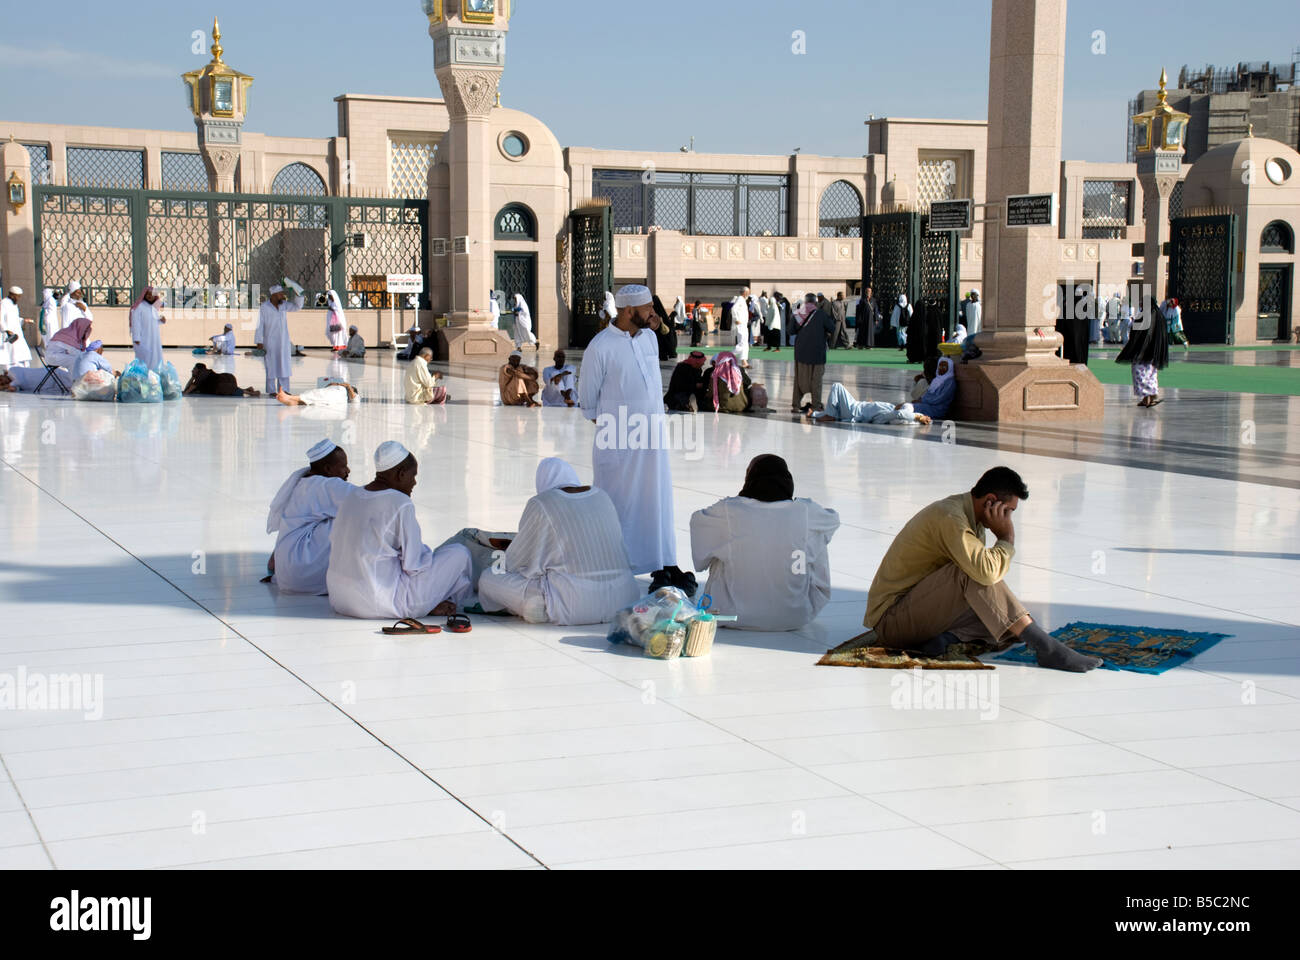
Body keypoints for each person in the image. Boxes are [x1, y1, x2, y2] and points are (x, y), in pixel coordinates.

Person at [864, 467, 1103, 672]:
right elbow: (985, 573)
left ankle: (944, 640)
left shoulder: (970, 516)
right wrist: (1006, 538)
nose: (1009, 518)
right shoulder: (951, 518)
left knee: (1007, 621)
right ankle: (1046, 648)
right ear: (990, 501)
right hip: (892, 621)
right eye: (1008, 511)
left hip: (920, 610)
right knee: (973, 576)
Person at [579, 284, 692, 595]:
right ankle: (618, 563)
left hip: (652, 439)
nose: (652, 313)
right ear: (628, 312)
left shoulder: (650, 338)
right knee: (621, 504)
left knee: (655, 501)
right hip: (619, 445)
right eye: (647, 309)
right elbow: (588, 404)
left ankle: (662, 561)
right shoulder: (600, 347)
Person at [477, 458, 641, 625]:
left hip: (575, 605)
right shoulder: (601, 495)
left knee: (488, 578)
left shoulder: (541, 503)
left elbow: (516, 564)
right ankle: (535, 604)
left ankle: (537, 605)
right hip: (625, 599)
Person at [326, 441, 475, 620]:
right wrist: (426, 553)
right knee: (459, 553)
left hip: (340, 599)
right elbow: (414, 565)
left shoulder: (352, 495)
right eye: (413, 476)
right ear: (400, 474)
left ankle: (437, 602)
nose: (414, 482)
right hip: (378, 603)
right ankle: (460, 604)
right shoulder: (399, 502)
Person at [690, 455, 840, 631]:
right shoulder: (806, 510)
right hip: (795, 616)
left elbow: (698, 525)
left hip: (731, 615)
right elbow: (833, 520)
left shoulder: (729, 509)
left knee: (721, 541)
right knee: (815, 535)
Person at [266, 440, 354, 595]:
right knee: (352, 518)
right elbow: (366, 500)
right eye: (343, 466)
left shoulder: (305, 481)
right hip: (303, 576)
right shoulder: (324, 485)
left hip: (287, 574)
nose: (348, 470)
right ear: (328, 469)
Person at [1116, 294, 1170, 408]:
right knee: (1150, 373)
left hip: (1144, 351)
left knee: (1140, 373)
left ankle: (1153, 395)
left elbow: (1143, 335)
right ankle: (1146, 399)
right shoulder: (1157, 314)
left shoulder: (1148, 315)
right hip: (1152, 352)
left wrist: (1136, 348)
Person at [255, 283, 304, 395]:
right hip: (270, 342)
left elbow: (297, 307)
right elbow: (260, 325)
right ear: (274, 295)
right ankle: (272, 390)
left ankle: (284, 390)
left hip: (283, 342)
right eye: (280, 294)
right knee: (271, 366)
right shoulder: (264, 307)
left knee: (284, 365)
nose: (283, 296)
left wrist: (297, 292)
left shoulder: (284, 305)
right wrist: (259, 341)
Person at [792, 293, 836, 414]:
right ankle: (816, 405)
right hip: (817, 353)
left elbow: (790, 330)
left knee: (799, 379)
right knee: (816, 380)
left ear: (805, 302)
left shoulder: (798, 314)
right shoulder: (821, 314)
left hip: (801, 353)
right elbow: (832, 328)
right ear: (816, 303)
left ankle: (796, 405)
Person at [812, 383, 934, 424]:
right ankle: (814, 414)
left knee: (837, 386)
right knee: (837, 406)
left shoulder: (889, 414)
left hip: (854, 410)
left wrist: (918, 417)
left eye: (902, 405)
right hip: (856, 408)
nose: (900, 404)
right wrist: (920, 416)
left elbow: (902, 414)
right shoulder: (890, 409)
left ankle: (830, 415)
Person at [129, 285, 166, 371]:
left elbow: (153, 321)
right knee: (145, 359)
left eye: (152, 294)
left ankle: (155, 376)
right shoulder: (139, 307)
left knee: (155, 357)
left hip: (154, 338)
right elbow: (136, 323)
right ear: (144, 295)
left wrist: (161, 320)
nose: (150, 296)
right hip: (143, 339)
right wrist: (136, 338)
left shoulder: (153, 307)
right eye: (148, 294)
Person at [913, 355, 958, 419]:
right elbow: (928, 393)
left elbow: (939, 399)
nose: (941, 368)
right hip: (928, 405)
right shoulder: (937, 379)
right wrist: (920, 400)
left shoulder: (950, 382)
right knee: (906, 406)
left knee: (908, 407)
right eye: (940, 366)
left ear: (949, 368)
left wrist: (922, 400)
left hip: (937, 409)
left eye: (944, 366)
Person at [183, 363, 260, 397]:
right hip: (226, 379)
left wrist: (192, 378)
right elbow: (187, 389)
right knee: (232, 388)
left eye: (194, 369)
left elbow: (188, 390)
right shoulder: (203, 374)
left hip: (222, 383)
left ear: (198, 369)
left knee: (231, 390)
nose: (192, 370)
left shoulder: (202, 374)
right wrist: (192, 377)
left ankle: (251, 393)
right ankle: (248, 389)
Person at [1, 287, 32, 369]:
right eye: (17, 296)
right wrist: (6, 330)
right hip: (8, 334)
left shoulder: (14, 304)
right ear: (12, 295)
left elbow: (14, 318)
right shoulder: (3, 303)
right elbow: (1, 319)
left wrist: (23, 320)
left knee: (22, 353)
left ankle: (22, 371)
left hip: (17, 332)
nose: (18, 298)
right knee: (9, 355)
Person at [276, 380, 359, 408]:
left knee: (317, 396)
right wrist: (336, 384)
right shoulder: (340, 386)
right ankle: (291, 401)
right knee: (315, 395)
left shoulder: (351, 392)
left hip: (336, 395)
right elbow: (327, 386)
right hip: (330, 391)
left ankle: (289, 397)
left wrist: (348, 386)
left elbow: (354, 399)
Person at [730, 287, 751, 368]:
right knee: (742, 343)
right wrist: (736, 319)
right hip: (740, 324)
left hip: (744, 324)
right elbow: (733, 309)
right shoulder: (740, 299)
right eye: (748, 292)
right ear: (744, 292)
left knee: (745, 344)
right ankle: (728, 356)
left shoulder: (743, 300)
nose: (748, 294)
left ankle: (744, 361)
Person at [652, 294, 677, 362]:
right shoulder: (661, 310)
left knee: (659, 343)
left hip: (657, 329)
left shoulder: (653, 309)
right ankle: (665, 354)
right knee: (664, 342)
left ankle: (662, 355)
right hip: (663, 330)